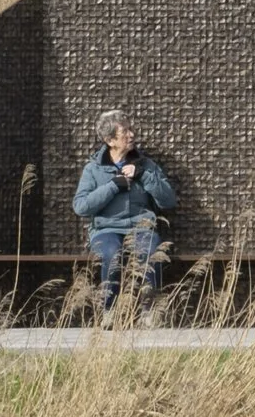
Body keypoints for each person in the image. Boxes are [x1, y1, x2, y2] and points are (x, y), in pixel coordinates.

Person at [71, 110, 177, 320]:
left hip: (142, 227)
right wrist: (113, 186)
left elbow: (168, 201)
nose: (131, 135)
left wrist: (144, 176)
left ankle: (149, 313)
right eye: (125, 131)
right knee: (112, 255)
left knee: (148, 252)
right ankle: (109, 312)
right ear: (110, 140)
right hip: (106, 229)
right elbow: (81, 206)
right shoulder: (94, 169)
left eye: (131, 129)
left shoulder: (146, 165)